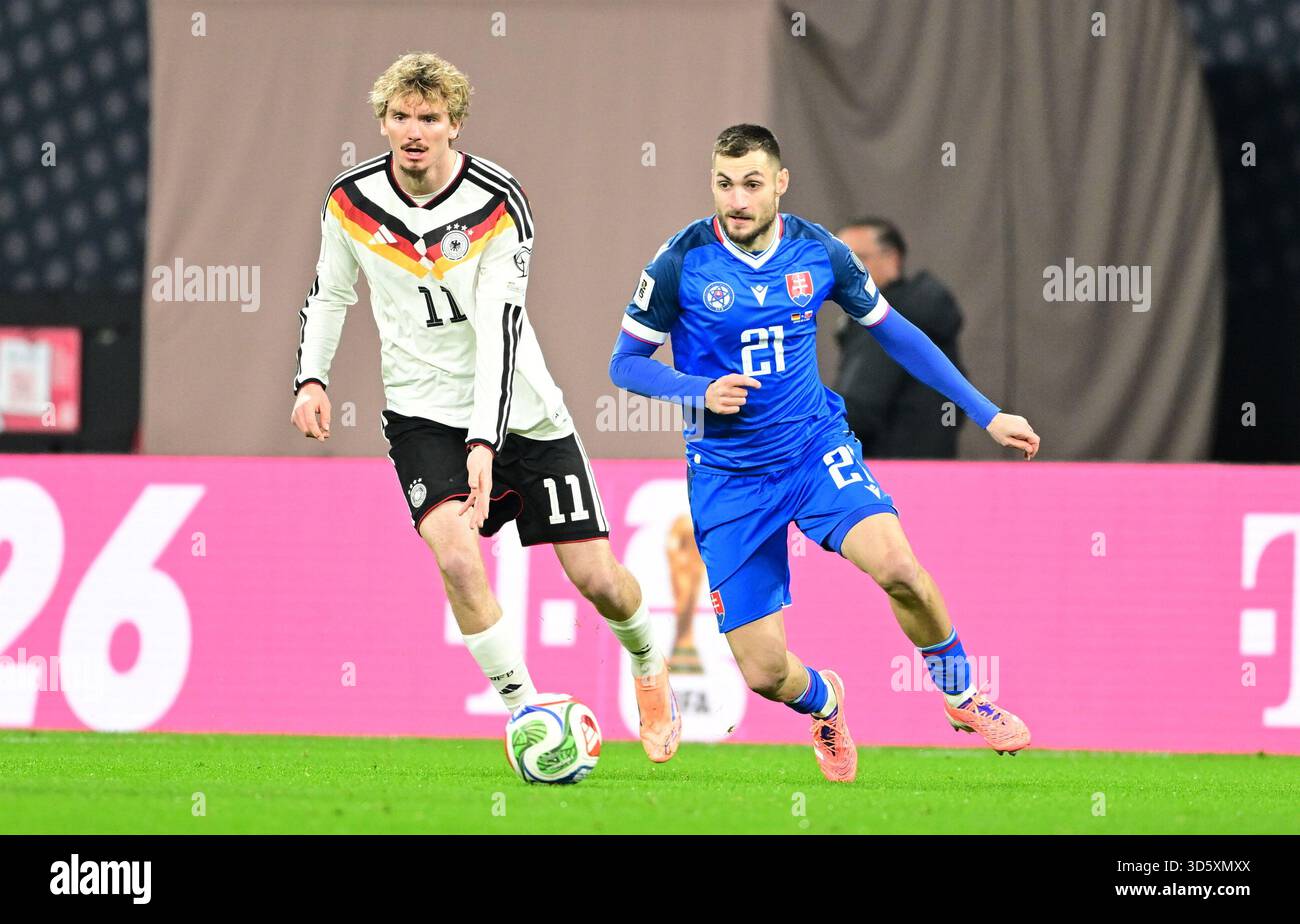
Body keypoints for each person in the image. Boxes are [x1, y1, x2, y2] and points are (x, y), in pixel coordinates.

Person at [608, 124, 1039, 782]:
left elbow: (896, 334)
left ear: (780, 182)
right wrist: (697, 390)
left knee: (900, 568)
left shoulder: (821, 253)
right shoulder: (680, 262)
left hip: (815, 453)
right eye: (724, 184)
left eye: (752, 184)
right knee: (764, 672)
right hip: (729, 480)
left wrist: (987, 413)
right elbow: (626, 364)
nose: (737, 200)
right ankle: (827, 701)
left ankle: (961, 697)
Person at [290, 53, 679, 762]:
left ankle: (649, 662)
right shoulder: (349, 201)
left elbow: (501, 329)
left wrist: (484, 439)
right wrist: (311, 379)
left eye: (429, 118)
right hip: (418, 412)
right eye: (402, 116)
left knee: (598, 580)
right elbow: (330, 295)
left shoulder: (499, 201)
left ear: (454, 125)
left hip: (521, 412)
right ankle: (528, 714)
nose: (414, 131)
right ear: (383, 121)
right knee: (458, 558)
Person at [833, 218, 968, 458]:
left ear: (892, 258)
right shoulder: (922, 312)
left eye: (854, 259)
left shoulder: (885, 319)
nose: (840, 272)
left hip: (886, 476)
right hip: (932, 474)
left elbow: (859, 411)